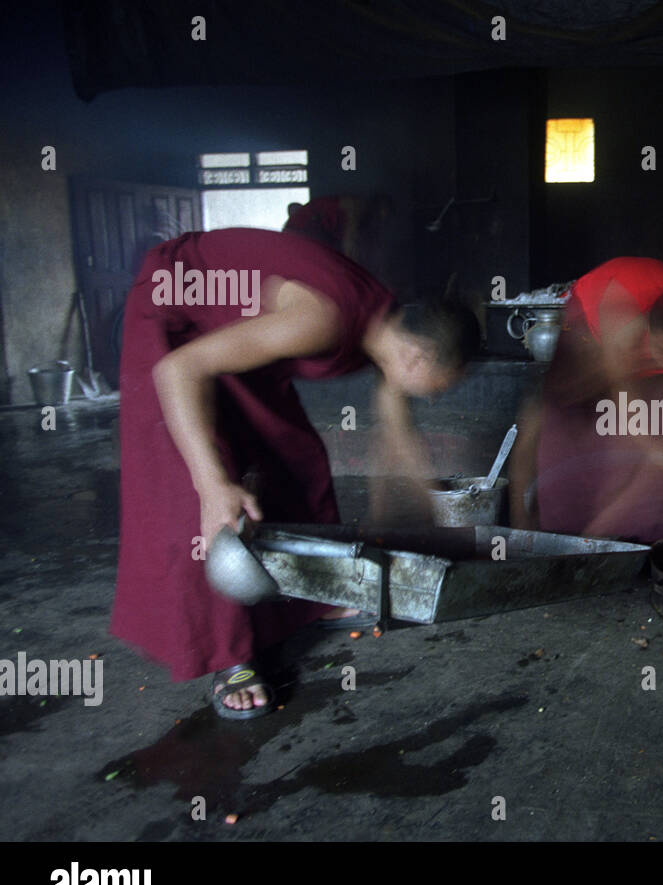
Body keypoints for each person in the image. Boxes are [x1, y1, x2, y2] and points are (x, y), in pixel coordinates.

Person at [111, 227, 479, 719]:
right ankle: (231, 658)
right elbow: (178, 370)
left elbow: (396, 428)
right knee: (207, 488)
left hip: (226, 330)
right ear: (418, 356)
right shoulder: (323, 321)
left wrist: (437, 506)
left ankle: (312, 596)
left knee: (294, 458)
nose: (433, 397)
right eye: (438, 387)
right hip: (176, 314)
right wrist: (209, 483)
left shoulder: (383, 327)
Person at [509, 257, 663, 542]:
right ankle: (571, 540)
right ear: (648, 333)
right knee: (579, 429)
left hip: (651, 315)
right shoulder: (623, 333)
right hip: (596, 318)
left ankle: (638, 535)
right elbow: (630, 418)